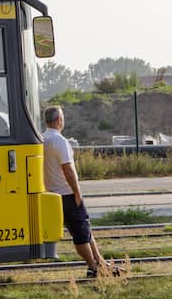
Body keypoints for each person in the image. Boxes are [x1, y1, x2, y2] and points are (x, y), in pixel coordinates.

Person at [42, 106, 117, 278]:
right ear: (59, 120)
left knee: (84, 228)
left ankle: (100, 262)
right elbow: (68, 169)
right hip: (67, 193)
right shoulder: (60, 141)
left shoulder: (43, 138)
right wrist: (77, 192)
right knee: (80, 233)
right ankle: (93, 268)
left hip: (53, 194)